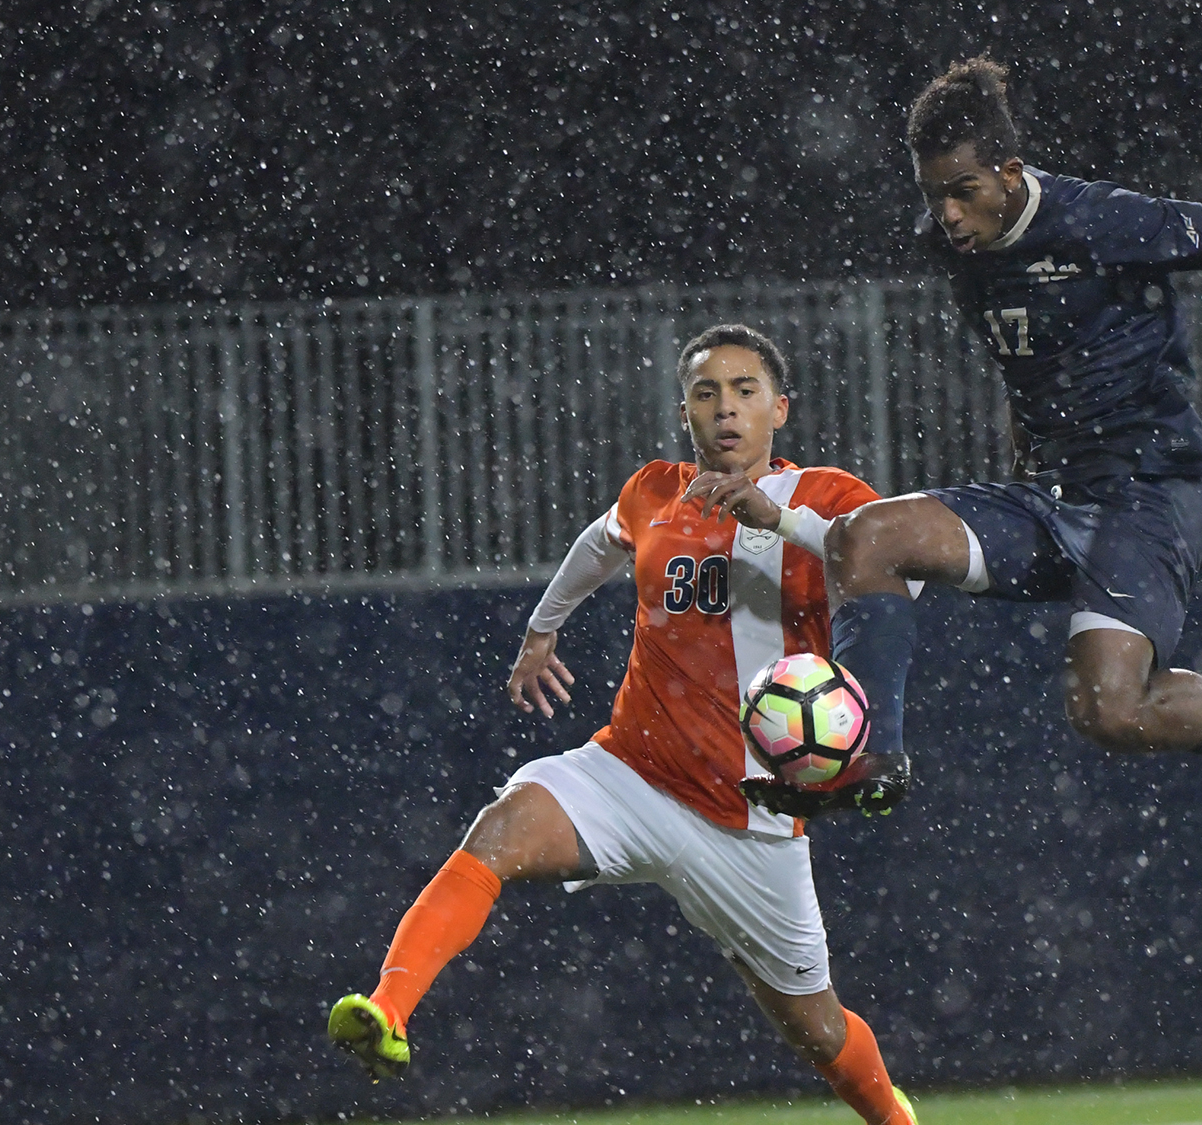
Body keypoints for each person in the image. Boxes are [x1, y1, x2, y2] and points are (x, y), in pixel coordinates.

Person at [742, 59, 1202, 855]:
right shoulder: (950, 245)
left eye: (964, 191)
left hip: (1154, 492)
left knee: (1110, 713)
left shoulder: (1109, 222)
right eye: (933, 195)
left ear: (1011, 172)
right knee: (867, 536)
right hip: (1056, 496)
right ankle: (873, 759)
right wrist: (1027, 420)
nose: (948, 214)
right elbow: (1026, 340)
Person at [327, 324, 918, 1125]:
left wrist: (776, 521)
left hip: (752, 818)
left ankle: (893, 1117)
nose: (726, 408)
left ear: (780, 408)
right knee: (497, 831)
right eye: (707, 393)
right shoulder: (654, 491)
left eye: (746, 391)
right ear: (686, 412)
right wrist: (545, 627)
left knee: (814, 1029)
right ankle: (390, 1010)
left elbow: (904, 576)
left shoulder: (827, 498)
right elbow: (599, 541)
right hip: (629, 774)